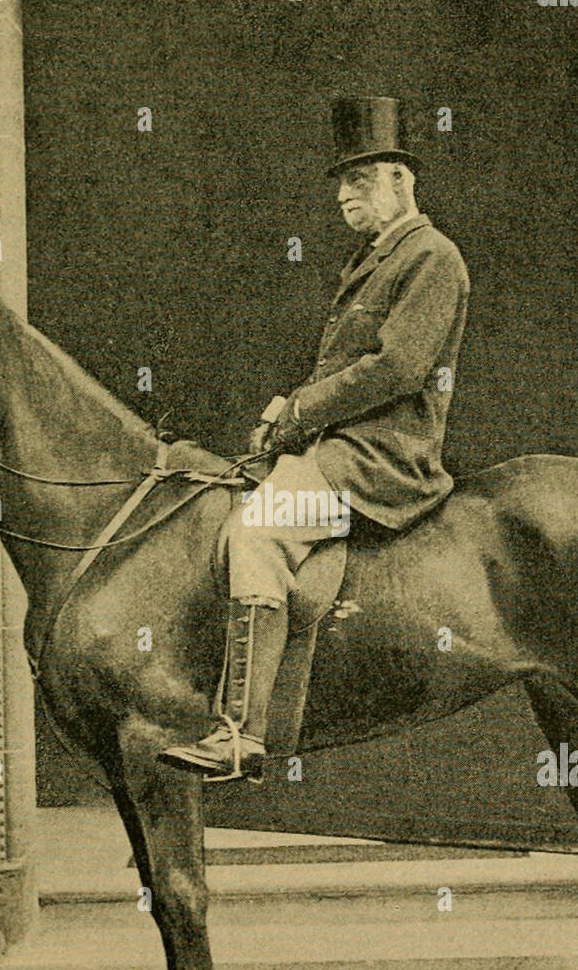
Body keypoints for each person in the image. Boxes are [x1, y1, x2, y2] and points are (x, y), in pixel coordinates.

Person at [159, 96, 470, 781]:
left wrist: (299, 410)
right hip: (339, 449)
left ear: (400, 181)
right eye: (341, 182)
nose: (343, 195)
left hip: (384, 457)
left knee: (258, 532)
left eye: (358, 180)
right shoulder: (375, 258)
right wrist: (284, 419)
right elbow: (342, 367)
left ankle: (239, 731)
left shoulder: (432, 257)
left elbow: (398, 367)